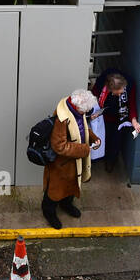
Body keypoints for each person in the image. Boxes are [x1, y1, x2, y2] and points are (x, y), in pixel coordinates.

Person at [41, 89, 100, 229]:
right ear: (78, 107)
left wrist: (94, 138)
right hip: (60, 166)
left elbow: (82, 128)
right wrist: (85, 149)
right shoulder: (61, 119)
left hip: (73, 163)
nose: (86, 113)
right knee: (54, 192)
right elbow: (59, 146)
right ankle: (48, 211)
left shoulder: (76, 111)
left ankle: (66, 204)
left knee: (71, 187)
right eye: (85, 111)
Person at [91, 69, 140, 176]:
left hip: (120, 119)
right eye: (117, 93)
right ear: (110, 90)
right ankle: (98, 157)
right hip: (104, 115)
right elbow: (94, 95)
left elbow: (131, 104)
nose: (120, 95)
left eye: (122, 92)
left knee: (116, 141)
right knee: (102, 138)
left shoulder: (129, 84)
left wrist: (134, 121)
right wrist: (95, 112)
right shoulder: (102, 84)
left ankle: (110, 162)